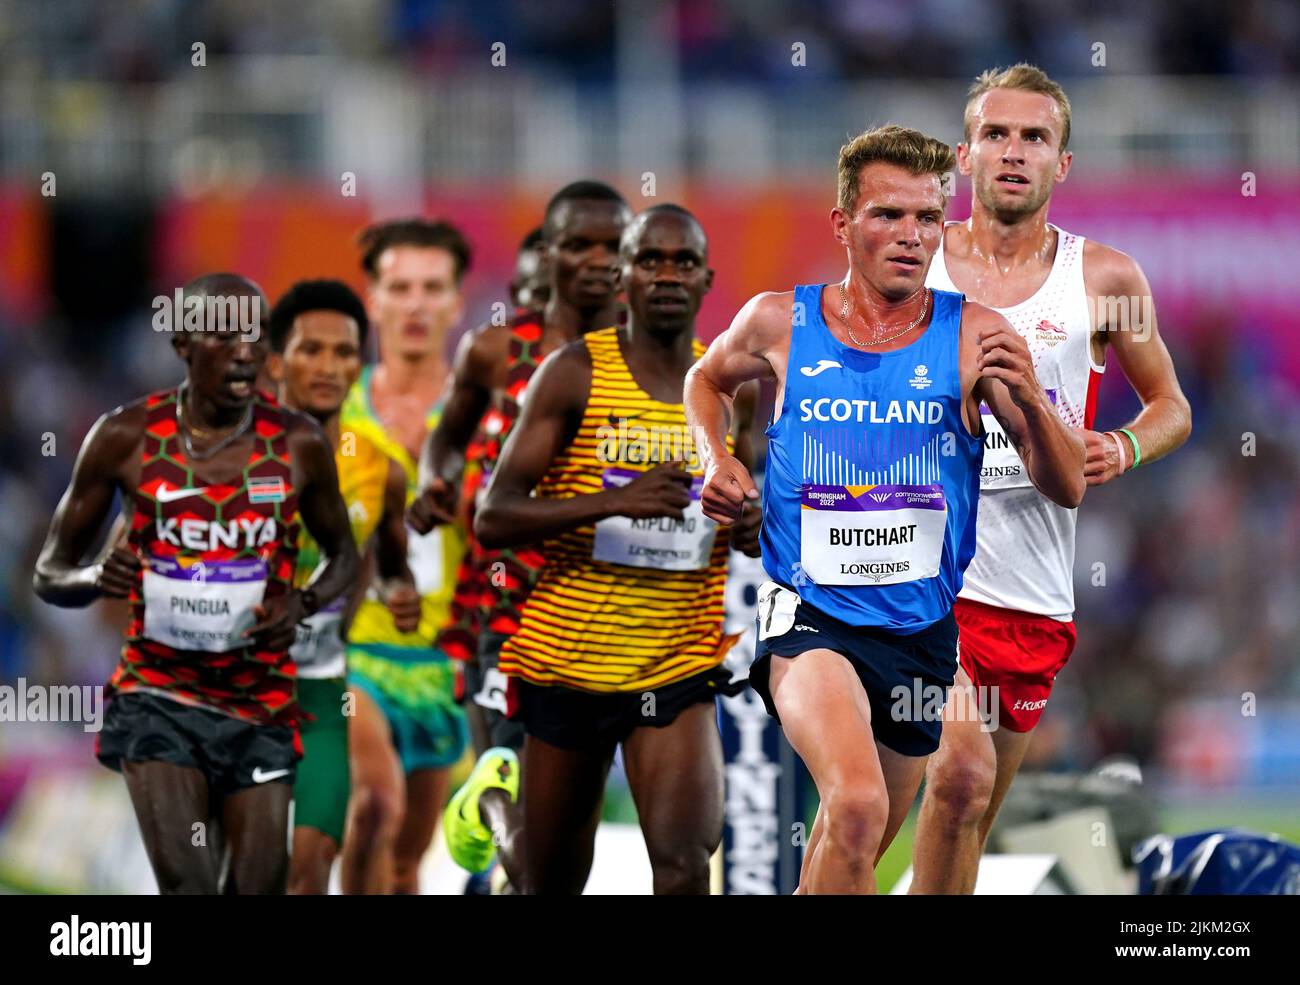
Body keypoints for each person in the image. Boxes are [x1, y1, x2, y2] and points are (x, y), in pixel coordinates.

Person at [684, 125, 1086, 895]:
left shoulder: (975, 337)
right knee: (858, 803)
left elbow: (1065, 485)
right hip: (811, 616)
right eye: (887, 216)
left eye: (927, 218)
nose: (910, 236)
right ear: (843, 224)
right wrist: (719, 456)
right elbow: (705, 381)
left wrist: (1032, 399)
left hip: (922, 637)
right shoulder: (779, 322)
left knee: (847, 848)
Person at [910, 64, 1192, 893]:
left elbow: (1170, 404)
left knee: (967, 820)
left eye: (1035, 137)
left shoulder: (1107, 280)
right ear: (965, 154)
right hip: (913, 572)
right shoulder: (912, 257)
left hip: (1030, 596)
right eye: (995, 134)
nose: (1013, 151)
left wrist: (1124, 447)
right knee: (947, 779)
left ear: (1061, 164)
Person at [33, 272, 359, 894]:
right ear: (183, 342)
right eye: (224, 335)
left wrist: (305, 601)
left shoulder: (299, 443)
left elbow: (344, 556)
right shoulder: (125, 437)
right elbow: (51, 573)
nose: (245, 351)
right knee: (190, 886)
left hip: (261, 704)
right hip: (160, 700)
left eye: (256, 336)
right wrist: (99, 576)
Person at [476, 204, 759, 894]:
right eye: (649, 260)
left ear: (706, 280)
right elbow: (494, 515)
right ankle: (492, 806)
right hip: (569, 660)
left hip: (675, 659)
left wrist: (750, 522)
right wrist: (614, 499)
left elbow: (747, 509)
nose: (667, 274)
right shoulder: (572, 373)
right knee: (549, 880)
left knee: (688, 863)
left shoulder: (729, 390)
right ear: (623, 277)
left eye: (683, 261)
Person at [408, 181, 631, 887]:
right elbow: (443, 440)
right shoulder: (494, 352)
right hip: (506, 604)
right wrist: (435, 482)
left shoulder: (654, 357)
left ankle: (486, 812)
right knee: (530, 812)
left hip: (615, 610)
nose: (593, 263)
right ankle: (495, 804)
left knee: (568, 820)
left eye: (609, 248)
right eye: (576, 247)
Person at [265, 278, 420, 895]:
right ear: (276, 360)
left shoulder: (380, 470)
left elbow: (389, 564)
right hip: (232, 691)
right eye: (312, 350)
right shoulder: (236, 455)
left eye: (346, 352)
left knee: (309, 873)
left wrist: (398, 589)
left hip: (323, 692)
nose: (330, 367)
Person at [337, 218, 473, 894]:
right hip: (355, 656)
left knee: (403, 864)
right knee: (374, 808)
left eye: (432, 288)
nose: (416, 304)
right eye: (400, 287)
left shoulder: (487, 413)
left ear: (456, 299)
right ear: (373, 299)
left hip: (447, 665)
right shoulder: (336, 413)